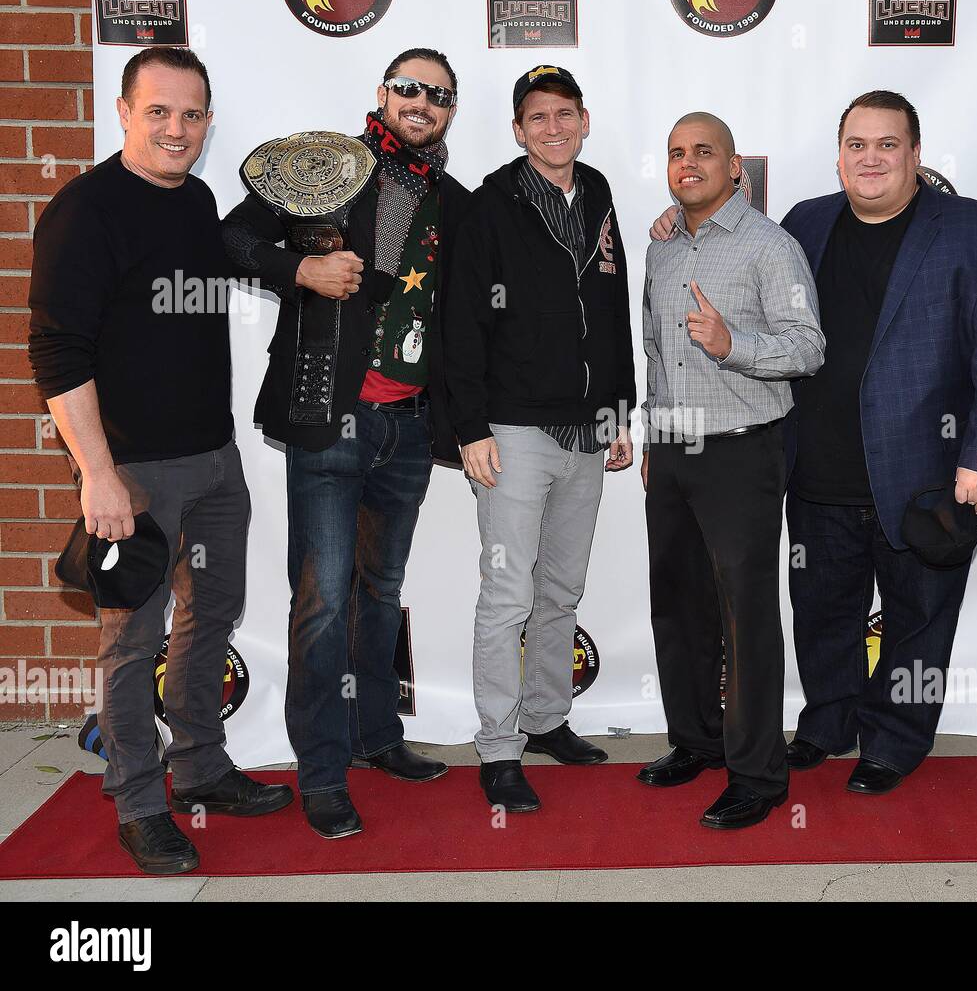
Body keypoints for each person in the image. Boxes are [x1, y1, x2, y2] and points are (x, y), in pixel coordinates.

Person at [28, 47, 292, 875]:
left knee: (210, 615)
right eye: (159, 112)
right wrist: (98, 474)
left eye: (191, 114)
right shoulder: (84, 211)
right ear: (123, 112)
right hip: (133, 471)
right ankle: (139, 802)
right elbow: (58, 354)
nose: (177, 129)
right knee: (131, 641)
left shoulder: (201, 199)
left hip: (214, 456)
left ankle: (202, 767)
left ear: (208, 122)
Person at [222, 48, 470, 839]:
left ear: (451, 110)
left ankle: (378, 737)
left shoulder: (455, 201)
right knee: (323, 600)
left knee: (377, 590)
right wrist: (302, 268)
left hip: (407, 426)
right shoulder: (328, 165)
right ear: (383, 94)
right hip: (330, 418)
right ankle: (322, 773)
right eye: (409, 88)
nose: (421, 102)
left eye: (438, 94)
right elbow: (231, 238)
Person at [777, 91, 977, 793]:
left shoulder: (974, 232)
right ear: (839, 156)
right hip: (819, 467)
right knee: (824, 610)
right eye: (857, 144)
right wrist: (682, 224)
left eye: (887, 144)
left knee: (918, 621)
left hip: (928, 474)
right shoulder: (806, 222)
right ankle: (829, 722)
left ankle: (895, 740)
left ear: (916, 154)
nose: (871, 158)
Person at [442, 66, 636, 813]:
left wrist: (619, 408)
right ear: (519, 130)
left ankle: (549, 717)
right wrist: (470, 429)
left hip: (588, 428)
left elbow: (611, 305)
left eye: (566, 115)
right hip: (513, 431)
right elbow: (463, 322)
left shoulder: (599, 192)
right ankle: (498, 745)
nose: (554, 128)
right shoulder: (491, 204)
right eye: (538, 119)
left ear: (584, 120)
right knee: (507, 595)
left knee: (560, 590)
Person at [639, 112, 825, 830]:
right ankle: (695, 740)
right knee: (679, 606)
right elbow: (654, 351)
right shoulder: (661, 250)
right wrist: (654, 432)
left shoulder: (769, 246)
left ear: (734, 165)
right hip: (674, 448)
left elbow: (808, 347)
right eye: (676, 152)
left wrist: (732, 343)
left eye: (703, 152)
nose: (688, 164)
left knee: (745, 618)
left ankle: (758, 774)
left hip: (743, 450)